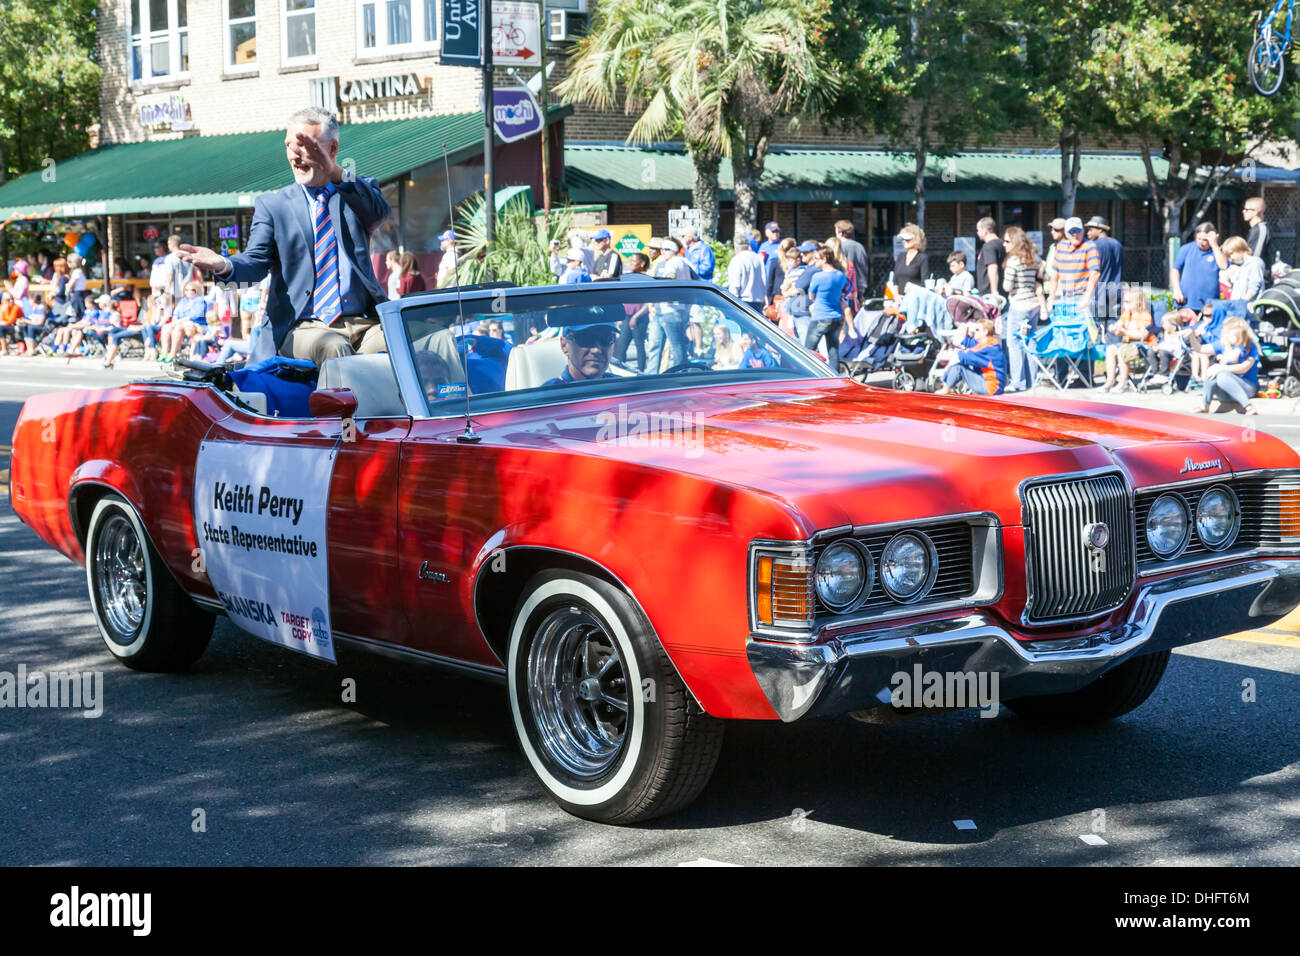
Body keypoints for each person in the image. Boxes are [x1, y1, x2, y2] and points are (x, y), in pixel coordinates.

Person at [175, 107, 391, 366]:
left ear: (332, 149)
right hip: (302, 326)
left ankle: (442, 406)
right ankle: (347, 408)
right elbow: (255, 263)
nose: (295, 155)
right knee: (334, 348)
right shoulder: (273, 204)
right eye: (289, 145)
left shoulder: (355, 193)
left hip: (361, 321)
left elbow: (378, 212)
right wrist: (225, 265)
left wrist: (334, 171)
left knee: (417, 341)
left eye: (305, 146)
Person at [1002, 226, 1047, 392]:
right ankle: (1031, 380)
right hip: (1033, 304)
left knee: (1014, 343)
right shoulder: (1033, 258)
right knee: (1030, 341)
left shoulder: (1013, 261)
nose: (1004, 244)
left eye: (1007, 241)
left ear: (1014, 242)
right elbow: (1043, 270)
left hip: (1019, 304)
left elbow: (1007, 287)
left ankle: (1017, 382)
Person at [1195, 317, 1261, 415]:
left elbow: (1243, 368)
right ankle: (1205, 405)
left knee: (1221, 375)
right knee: (1212, 373)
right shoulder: (1224, 344)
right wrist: (1192, 336)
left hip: (1247, 386)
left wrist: (1220, 367)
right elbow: (1200, 349)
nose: (1224, 334)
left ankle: (1248, 406)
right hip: (1225, 391)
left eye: (1227, 331)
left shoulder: (1249, 347)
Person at [1101, 286, 1156, 392]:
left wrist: (1124, 332)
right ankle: (1109, 381)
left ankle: (1123, 382)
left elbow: (1142, 335)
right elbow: (1118, 325)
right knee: (1110, 349)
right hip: (1129, 344)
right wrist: (1114, 328)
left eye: (1128, 302)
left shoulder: (1144, 316)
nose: (1124, 304)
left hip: (1143, 345)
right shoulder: (1127, 315)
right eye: (1124, 302)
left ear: (1138, 302)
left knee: (1123, 350)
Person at [1046, 217, 1100, 321]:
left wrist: (1086, 299)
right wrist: (1051, 298)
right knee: (1064, 331)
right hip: (1065, 296)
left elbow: (1095, 273)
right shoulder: (1060, 247)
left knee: (1083, 332)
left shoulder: (1089, 246)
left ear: (1083, 231)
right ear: (1066, 233)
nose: (1075, 234)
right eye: (1071, 231)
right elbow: (1054, 275)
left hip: (1082, 295)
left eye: (1078, 230)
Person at [936, 317, 1006, 395]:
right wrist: (966, 327)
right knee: (959, 364)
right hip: (994, 386)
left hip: (991, 387)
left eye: (977, 330)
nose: (974, 332)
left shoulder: (987, 348)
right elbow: (964, 341)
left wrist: (946, 369)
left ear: (985, 332)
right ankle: (946, 387)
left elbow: (960, 357)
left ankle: (945, 390)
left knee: (959, 368)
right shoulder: (989, 343)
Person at [805, 246, 848, 370]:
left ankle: (809, 375)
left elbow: (811, 295)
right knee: (833, 351)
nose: (815, 261)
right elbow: (846, 289)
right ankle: (835, 376)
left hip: (820, 316)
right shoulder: (840, 275)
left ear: (824, 259)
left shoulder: (818, 277)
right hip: (836, 317)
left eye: (817, 258)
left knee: (808, 350)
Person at [544, 321, 621, 386]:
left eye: (607, 339)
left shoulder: (622, 387)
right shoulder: (546, 397)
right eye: (585, 338)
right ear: (564, 345)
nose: (596, 350)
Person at [1171, 222, 1223, 312]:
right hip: (1187, 301)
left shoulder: (1218, 252)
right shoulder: (1186, 249)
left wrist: (1214, 244)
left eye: (1205, 240)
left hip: (1209, 303)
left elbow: (1223, 265)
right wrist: (1176, 289)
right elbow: (1175, 269)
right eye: (1199, 239)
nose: (1202, 243)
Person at [1085, 216, 1124, 320]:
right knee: (1113, 326)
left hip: (1099, 291)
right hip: (1115, 291)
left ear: (1100, 229)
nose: (1088, 233)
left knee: (1096, 329)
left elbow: (1092, 270)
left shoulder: (1094, 245)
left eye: (1090, 229)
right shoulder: (1117, 244)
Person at [159, 280, 209, 360]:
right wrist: (175, 321)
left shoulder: (200, 300)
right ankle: (164, 353)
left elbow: (195, 316)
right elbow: (176, 314)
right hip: (182, 323)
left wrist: (178, 322)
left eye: (192, 289)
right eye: (186, 289)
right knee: (166, 327)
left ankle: (173, 354)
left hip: (197, 324)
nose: (189, 292)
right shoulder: (183, 301)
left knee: (178, 327)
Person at [835, 220, 870, 309]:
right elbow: (864, 266)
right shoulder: (859, 246)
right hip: (859, 285)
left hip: (845, 288)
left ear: (840, 233)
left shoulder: (838, 247)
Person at [727, 234, 767, 312]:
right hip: (758, 300)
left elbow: (735, 284)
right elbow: (764, 279)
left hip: (742, 301)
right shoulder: (758, 258)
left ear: (735, 246)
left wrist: (733, 303)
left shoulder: (737, 260)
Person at [1243, 196, 1278, 281]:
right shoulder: (1254, 229)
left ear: (1255, 212)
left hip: (1258, 277)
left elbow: (1255, 256)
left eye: (1246, 209)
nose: (1243, 211)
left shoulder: (1261, 229)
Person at [1222, 236, 1265, 303]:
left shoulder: (1254, 262)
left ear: (1239, 248)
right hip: (1238, 306)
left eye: (1231, 254)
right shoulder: (1242, 266)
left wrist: (1241, 303)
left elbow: (1254, 287)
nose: (1231, 259)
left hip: (1248, 309)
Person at [893, 223, 928, 292]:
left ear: (916, 239)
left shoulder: (923, 258)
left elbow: (924, 282)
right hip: (899, 299)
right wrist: (897, 296)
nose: (904, 241)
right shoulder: (900, 256)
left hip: (915, 298)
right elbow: (895, 280)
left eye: (907, 239)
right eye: (903, 239)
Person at [975, 217, 1005, 298]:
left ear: (985, 231)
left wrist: (994, 291)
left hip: (989, 294)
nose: (977, 233)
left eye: (978, 230)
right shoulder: (1003, 244)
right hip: (1003, 291)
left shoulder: (989, 246)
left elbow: (992, 267)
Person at [765, 236, 796, 307]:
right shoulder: (796, 263)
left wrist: (769, 301)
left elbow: (770, 283)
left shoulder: (775, 262)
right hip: (792, 296)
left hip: (778, 297)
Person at [1043, 217, 1066, 283]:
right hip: (1049, 288)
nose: (1052, 232)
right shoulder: (1053, 246)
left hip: (1061, 288)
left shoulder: (1070, 247)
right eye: (1052, 229)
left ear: (1064, 230)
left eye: (1056, 230)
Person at [67, 253, 88, 321]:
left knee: (78, 314)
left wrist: (67, 285)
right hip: (80, 294)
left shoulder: (76, 272)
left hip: (77, 295)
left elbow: (70, 285)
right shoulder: (81, 271)